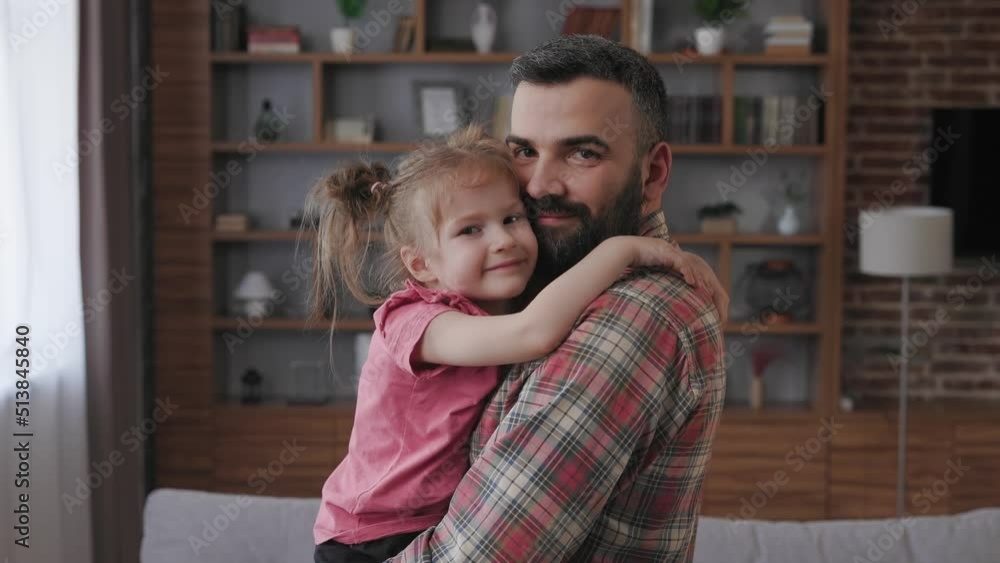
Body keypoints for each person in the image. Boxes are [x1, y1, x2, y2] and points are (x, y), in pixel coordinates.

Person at [387, 35, 728, 562]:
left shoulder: (634, 317)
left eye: (582, 153)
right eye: (523, 151)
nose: (540, 185)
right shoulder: (556, 282)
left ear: (653, 173)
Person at [309, 124, 711, 563]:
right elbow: (534, 333)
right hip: (370, 537)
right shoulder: (415, 320)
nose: (502, 241)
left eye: (512, 218)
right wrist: (623, 251)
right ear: (421, 264)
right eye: (470, 231)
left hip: (433, 520)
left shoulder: (494, 304)